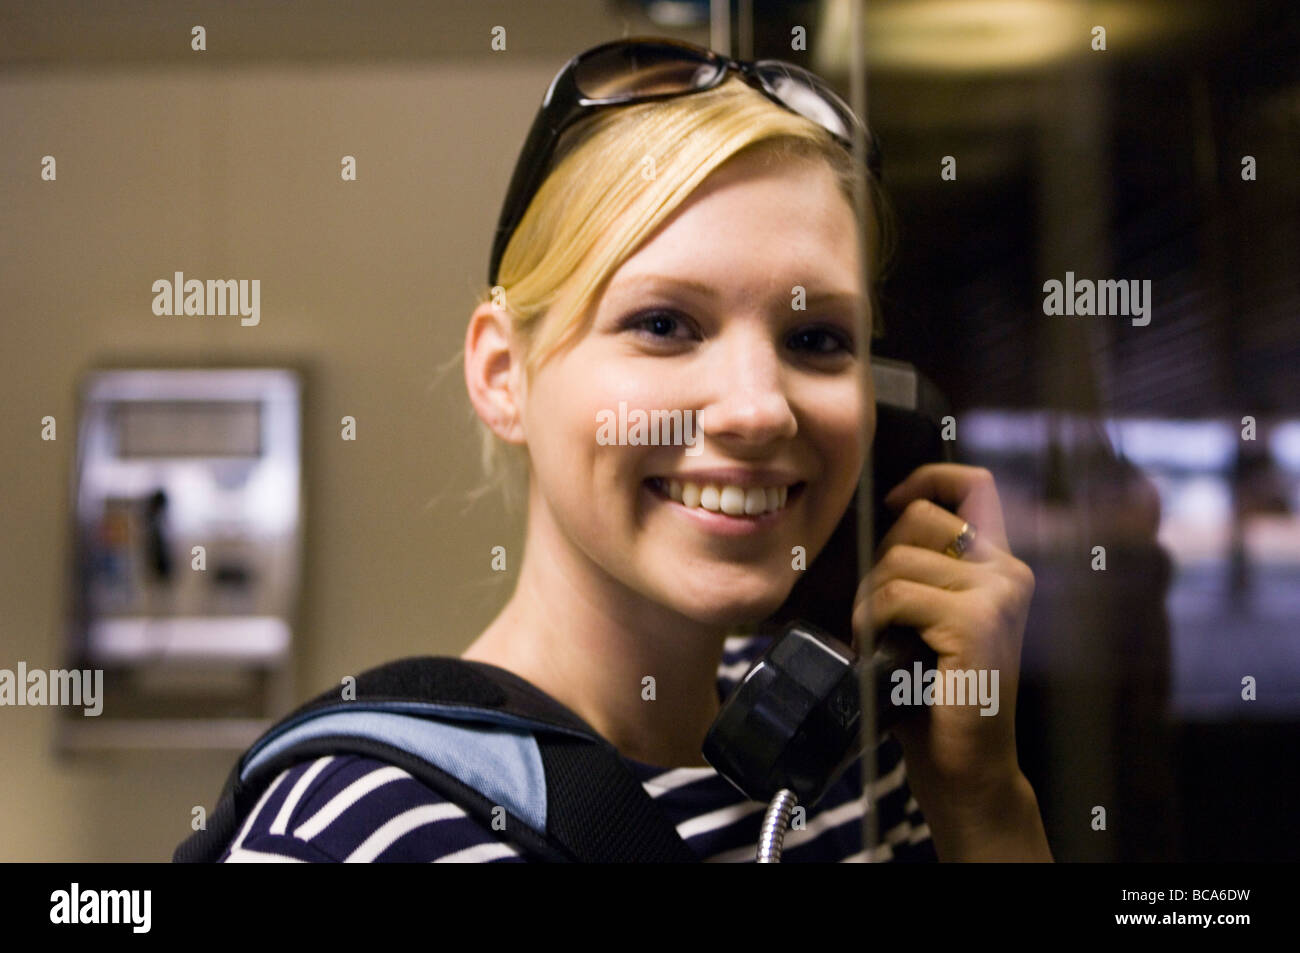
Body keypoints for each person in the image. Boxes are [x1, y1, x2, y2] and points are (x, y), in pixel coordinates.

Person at [219, 37, 1051, 863]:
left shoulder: (844, 761)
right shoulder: (350, 834)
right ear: (505, 375)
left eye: (816, 336)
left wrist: (981, 802)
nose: (759, 410)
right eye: (664, 324)